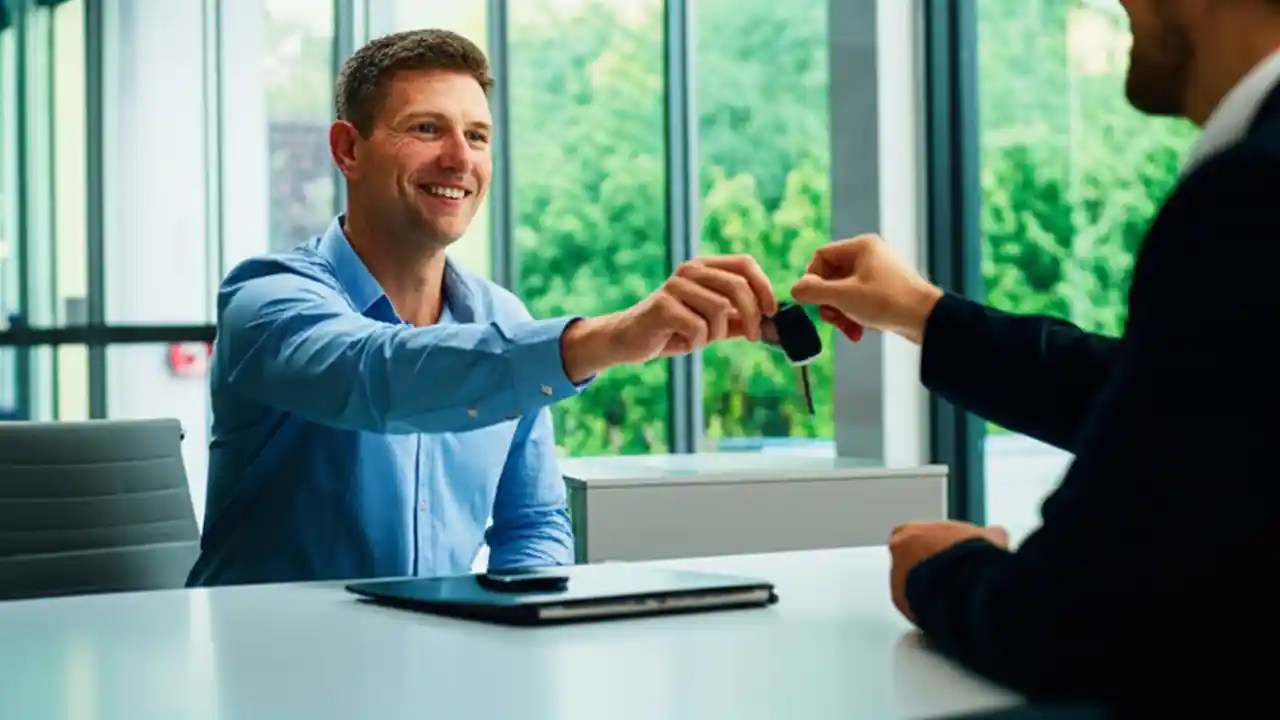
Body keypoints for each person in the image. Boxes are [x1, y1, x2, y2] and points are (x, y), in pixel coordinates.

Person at [791, 0, 1280, 708]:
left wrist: (942, 568)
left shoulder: (1248, 195)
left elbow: (1064, 622)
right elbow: (1192, 402)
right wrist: (925, 314)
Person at [187, 29, 778, 587]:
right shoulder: (266, 297)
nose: (459, 159)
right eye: (425, 128)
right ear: (348, 149)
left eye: (477, 136)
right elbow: (378, 375)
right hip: (271, 671)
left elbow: (535, 524)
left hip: (435, 668)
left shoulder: (503, 318)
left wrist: (521, 627)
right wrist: (609, 338)